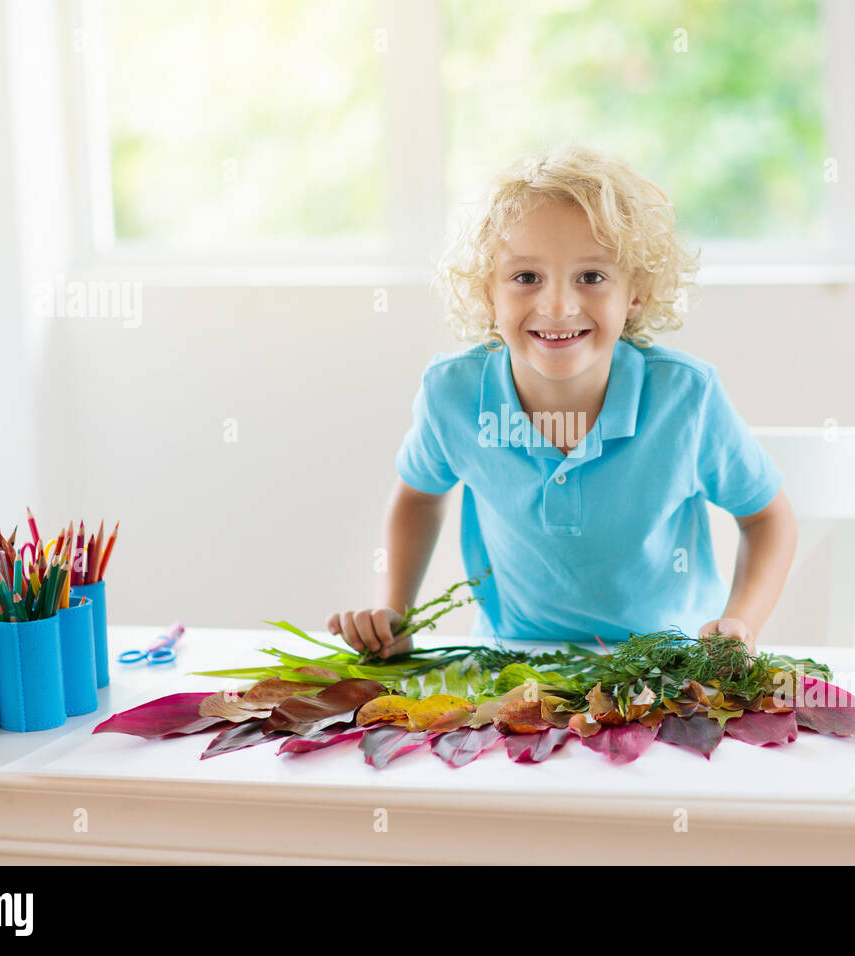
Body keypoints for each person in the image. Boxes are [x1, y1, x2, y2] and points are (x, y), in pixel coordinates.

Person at [328, 144, 797, 658]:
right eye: (526, 277)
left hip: (669, 671)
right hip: (508, 669)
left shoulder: (686, 398)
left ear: (634, 293)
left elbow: (766, 518)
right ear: (489, 293)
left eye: (591, 277)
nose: (557, 306)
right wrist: (395, 609)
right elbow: (418, 496)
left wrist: (740, 623)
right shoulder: (452, 394)